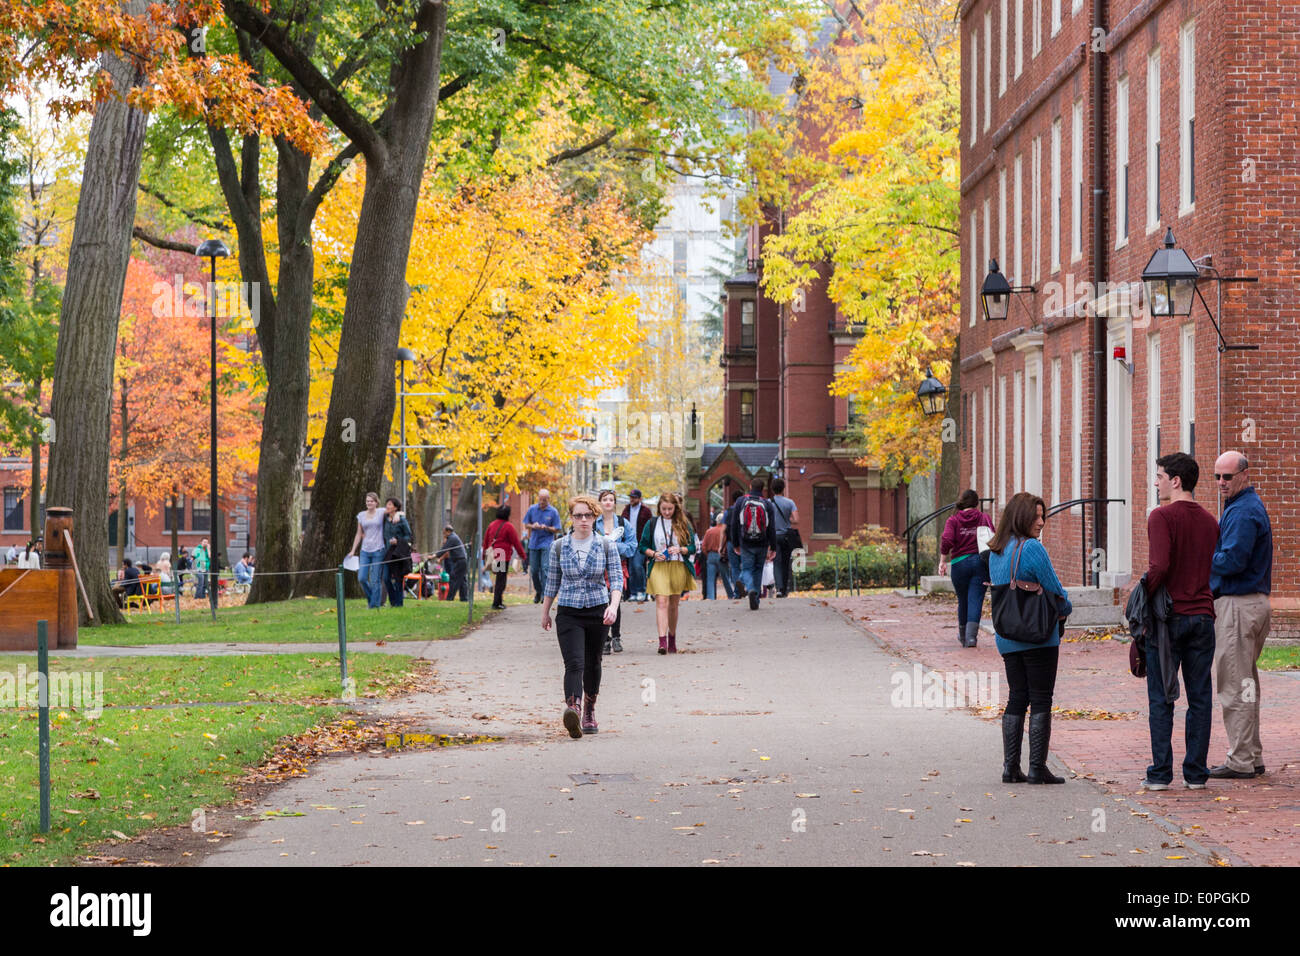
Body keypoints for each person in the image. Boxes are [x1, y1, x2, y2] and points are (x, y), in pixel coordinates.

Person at [1138, 452, 1220, 791]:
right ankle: (1196, 774)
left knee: (1161, 696)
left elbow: (1159, 566)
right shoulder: (1211, 521)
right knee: (1199, 696)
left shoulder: (1161, 516)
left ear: (1176, 480)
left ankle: (1160, 774)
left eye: (1159, 476)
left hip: (1168, 619)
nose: (1155, 483)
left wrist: (1143, 594)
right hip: (1203, 616)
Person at [988, 492, 1072, 785]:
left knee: (1016, 697)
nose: (1041, 522)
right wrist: (1066, 610)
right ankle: (1037, 768)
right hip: (1038, 636)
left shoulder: (996, 551)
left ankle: (1010, 768)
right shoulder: (1032, 549)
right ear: (1021, 517)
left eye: (1042, 515)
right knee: (1040, 699)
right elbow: (1056, 591)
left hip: (1007, 637)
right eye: (1035, 516)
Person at [1208, 450, 1274, 780]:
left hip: (1238, 605)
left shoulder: (1244, 512)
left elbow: (1233, 560)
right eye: (1217, 476)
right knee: (1245, 683)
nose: (1221, 482)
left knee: (1233, 684)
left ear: (1244, 475)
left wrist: (1199, 558)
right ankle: (1252, 755)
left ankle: (1240, 760)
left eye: (1227, 477)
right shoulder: (1242, 507)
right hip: (1251, 603)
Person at [541, 493, 623, 737]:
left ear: (595, 517)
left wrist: (613, 606)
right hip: (568, 611)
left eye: (588, 515)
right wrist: (545, 612)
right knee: (574, 662)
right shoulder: (558, 546)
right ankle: (573, 709)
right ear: (571, 518)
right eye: (578, 516)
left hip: (598, 610)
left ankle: (589, 709)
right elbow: (552, 581)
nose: (583, 520)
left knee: (593, 662)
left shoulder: (606, 545)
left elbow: (617, 579)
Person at [639, 490, 699, 653]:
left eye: (670, 509)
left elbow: (694, 547)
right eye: (664, 509)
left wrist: (681, 549)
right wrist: (653, 553)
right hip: (659, 566)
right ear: (659, 508)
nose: (666, 512)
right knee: (661, 601)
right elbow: (642, 546)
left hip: (677, 566)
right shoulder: (652, 523)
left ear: (675, 508)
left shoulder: (683, 523)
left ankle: (672, 638)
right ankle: (662, 642)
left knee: (673, 604)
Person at [939, 490, 996, 648]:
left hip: (959, 564)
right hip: (980, 563)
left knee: (962, 599)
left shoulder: (953, 520)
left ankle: (963, 635)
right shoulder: (984, 518)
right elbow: (994, 538)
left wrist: (943, 561)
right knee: (975, 599)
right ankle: (971, 638)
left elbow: (947, 540)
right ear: (976, 503)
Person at [595, 489, 636, 654]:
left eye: (611, 499)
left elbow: (632, 546)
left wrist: (613, 545)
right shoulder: (593, 523)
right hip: (598, 566)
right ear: (600, 502)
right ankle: (604, 639)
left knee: (615, 601)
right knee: (601, 602)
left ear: (614, 503)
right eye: (605, 499)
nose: (608, 502)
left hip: (617, 565)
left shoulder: (623, 523)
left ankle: (616, 636)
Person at [728, 479, 777, 611]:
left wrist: (735, 543)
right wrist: (773, 547)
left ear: (750, 486)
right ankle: (755, 598)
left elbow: (734, 524)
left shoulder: (741, 501)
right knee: (758, 569)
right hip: (762, 542)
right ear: (763, 488)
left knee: (747, 568)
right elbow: (771, 527)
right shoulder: (767, 503)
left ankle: (749, 588)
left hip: (746, 542)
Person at [346, 492, 387, 609]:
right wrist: (353, 550)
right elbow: (358, 534)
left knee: (375, 579)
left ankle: (374, 605)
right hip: (365, 551)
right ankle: (372, 600)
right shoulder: (361, 515)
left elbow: (396, 510)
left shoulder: (381, 512)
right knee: (362, 578)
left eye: (371, 501)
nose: (369, 503)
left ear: (376, 502)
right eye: (367, 501)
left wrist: (398, 515)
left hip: (378, 550)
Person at [483, 504, 526, 610]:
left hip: (493, 555)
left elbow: (486, 540)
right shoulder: (508, 526)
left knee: (498, 578)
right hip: (502, 556)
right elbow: (516, 542)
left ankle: (497, 601)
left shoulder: (492, 524)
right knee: (501, 580)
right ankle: (497, 602)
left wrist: (484, 554)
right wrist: (523, 555)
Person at [523, 489, 562, 603]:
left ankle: (545, 595)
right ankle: (538, 591)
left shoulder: (553, 512)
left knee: (545, 569)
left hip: (546, 542)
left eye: (544, 500)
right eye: (540, 499)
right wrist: (533, 525)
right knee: (534, 570)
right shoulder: (532, 509)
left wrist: (546, 527)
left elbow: (557, 529)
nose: (542, 501)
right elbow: (526, 524)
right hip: (534, 543)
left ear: (548, 499)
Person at [621, 489, 654, 602]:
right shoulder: (626, 509)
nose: (632, 499)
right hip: (628, 543)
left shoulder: (646, 511)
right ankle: (633, 593)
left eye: (634, 497)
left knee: (637, 566)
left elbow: (651, 527)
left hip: (641, 544)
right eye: (631, 497)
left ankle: (642, 590)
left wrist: (650, 543)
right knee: (630, 569)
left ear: (640, 499)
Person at [769, 477, 799, 597]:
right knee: (786, 562)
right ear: (783, 488)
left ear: (772, 489)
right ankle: (786, 589)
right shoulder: (790, 502)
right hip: (786, 535)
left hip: (774, 536)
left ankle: (779, 588)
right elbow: (796, 520)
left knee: (776, 562)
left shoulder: (768, 503)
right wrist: (788, 519)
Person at [382, 498, 413, 608]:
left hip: (397, 553)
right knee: (386, 578)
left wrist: (398, 540)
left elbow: (408, 535)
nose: (387, 506)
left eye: (390, 504)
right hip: (387, 553)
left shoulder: (402, 520)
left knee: (398, 579)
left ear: (395, 507)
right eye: (387, 504)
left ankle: (398, 603)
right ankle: (393, 600)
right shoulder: (385, 519)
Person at [700, 511, 733, 600]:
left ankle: (711, 597)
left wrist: (708, 554)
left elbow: (703, 546)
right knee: (726, 577)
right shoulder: (725, 532)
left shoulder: (709, 531)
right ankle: (731, 595)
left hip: (710, 555)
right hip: (721, 555)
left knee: (710, 579)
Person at [434, 524, 468, 601]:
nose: (444, 535)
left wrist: (435, 555)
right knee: (462, 580)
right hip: (461, 560)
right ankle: (464, 598)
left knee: (453, 578)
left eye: (444, 533)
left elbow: (445, 549)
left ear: (448, 531)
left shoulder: (452, 538)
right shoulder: (453, 537)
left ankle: (450, 598)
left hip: (459, 561)